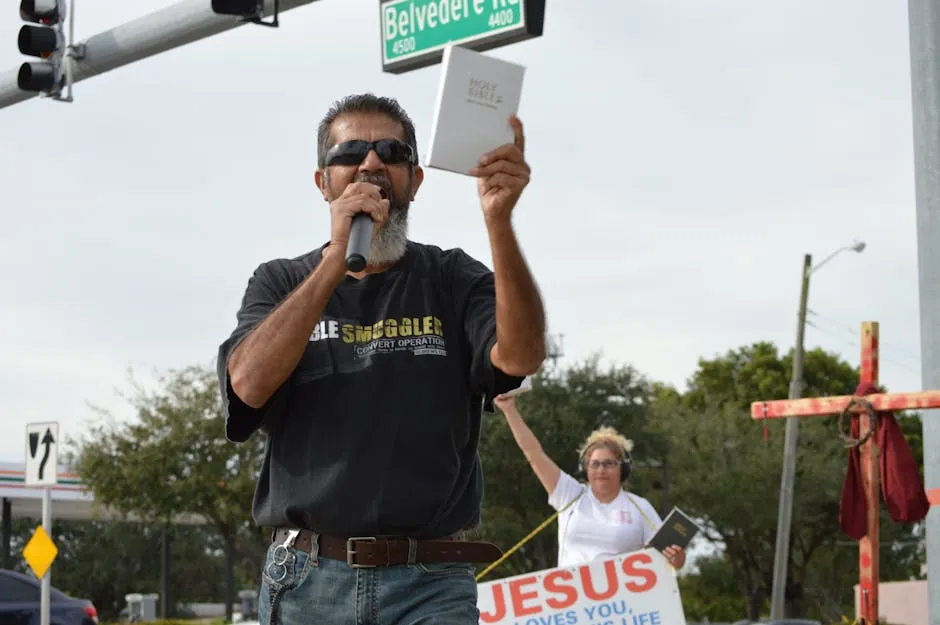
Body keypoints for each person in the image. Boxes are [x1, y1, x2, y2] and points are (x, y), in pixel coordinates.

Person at [216, 93, 546, 625]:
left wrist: (500, 222)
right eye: (350, 154)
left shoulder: (454, 278)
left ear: (414, 180)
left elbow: (521, 355)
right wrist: (336, 262)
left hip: (431, 582)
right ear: (323, 182)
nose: (371, 164)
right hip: (308, 580)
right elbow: (247, 387)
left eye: (390, 151)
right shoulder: (278, 282)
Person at [494, 394, 687, 570]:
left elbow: (665, 563)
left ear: (623, 468)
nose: (601, 470)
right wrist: (509, 410)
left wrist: (677, 559)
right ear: (585, 470)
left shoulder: (640, 507)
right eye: (595, 464)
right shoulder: (570, 495)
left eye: (609, 463)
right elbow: (534, 454)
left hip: (624, 604)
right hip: (570, 600)